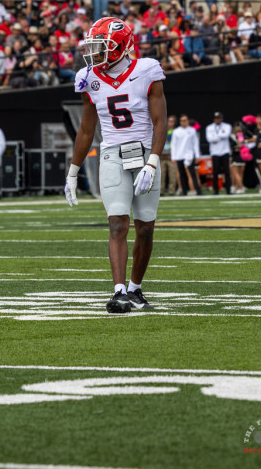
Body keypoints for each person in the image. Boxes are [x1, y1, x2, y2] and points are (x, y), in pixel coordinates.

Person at [65, 16, 167, 314]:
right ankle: (119, 291)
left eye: (102, 47)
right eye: (94, 46)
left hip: (145, 151)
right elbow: (86, 130)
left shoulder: (147, 69)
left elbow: (161, 121)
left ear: (121, 47)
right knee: (117, 223)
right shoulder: (89, 77)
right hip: (111, 153)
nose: (96, 52)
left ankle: (136, 288)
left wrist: (153, 161)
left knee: (145, 227)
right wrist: (74, 170)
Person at [171, 114, 201, 196]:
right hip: (179, 155)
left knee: (193, 174)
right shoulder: (176, 131)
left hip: (189, 155)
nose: (183, 122)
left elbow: (195, 144)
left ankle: (198, 191)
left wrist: (197, 155)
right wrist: (173, 157)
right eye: (181, 121)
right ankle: (184, 192)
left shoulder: (192, 130)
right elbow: (173, 145)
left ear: (188, 121)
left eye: (184, 120)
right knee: (182, 175)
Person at [204, 111, 232, 195]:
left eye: (219, 118)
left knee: (227, 172)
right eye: (216, 118)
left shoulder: (227, 126)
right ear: (214, 119)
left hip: (225, 151)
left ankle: (228, 190)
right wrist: (220, 136)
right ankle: (216, 190)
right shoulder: (209, 127)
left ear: (222, 119)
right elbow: (209, 139)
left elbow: (226, 135)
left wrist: (215, 138)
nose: (217, 120)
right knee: (215, 172)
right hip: (215, 152)